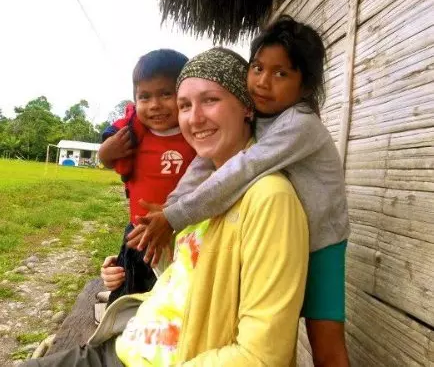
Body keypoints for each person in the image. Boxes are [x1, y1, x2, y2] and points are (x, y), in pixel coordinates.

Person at [24, 47, 309, 366]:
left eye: (210, 100)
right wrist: (127, 265)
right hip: (128, 345)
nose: (194, 117)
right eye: (185, 105)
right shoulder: (202, 185)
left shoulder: (270, 198)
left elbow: (262, 356)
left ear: (247, 107)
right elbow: (186, 276)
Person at [130, 17, 350, 366]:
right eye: (258, 67)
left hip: (321, 242)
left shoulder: (299, 125)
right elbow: (204, 166)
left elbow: (243, 168)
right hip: (284, 236)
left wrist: (174, 217)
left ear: (305, 85)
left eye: (281, 74)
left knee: (326, 348)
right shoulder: (262, 117)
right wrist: (170, 209)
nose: (263, 82)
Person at [98, 49, 196, 302]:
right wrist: (106, 152)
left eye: (166, 94)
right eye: (145, 96)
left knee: (175, 299)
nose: (155, 105)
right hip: (138, 232)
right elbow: (108, 156)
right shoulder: (132, 131)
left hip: (183, 233)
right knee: (127, 293)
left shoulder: (196, 132)